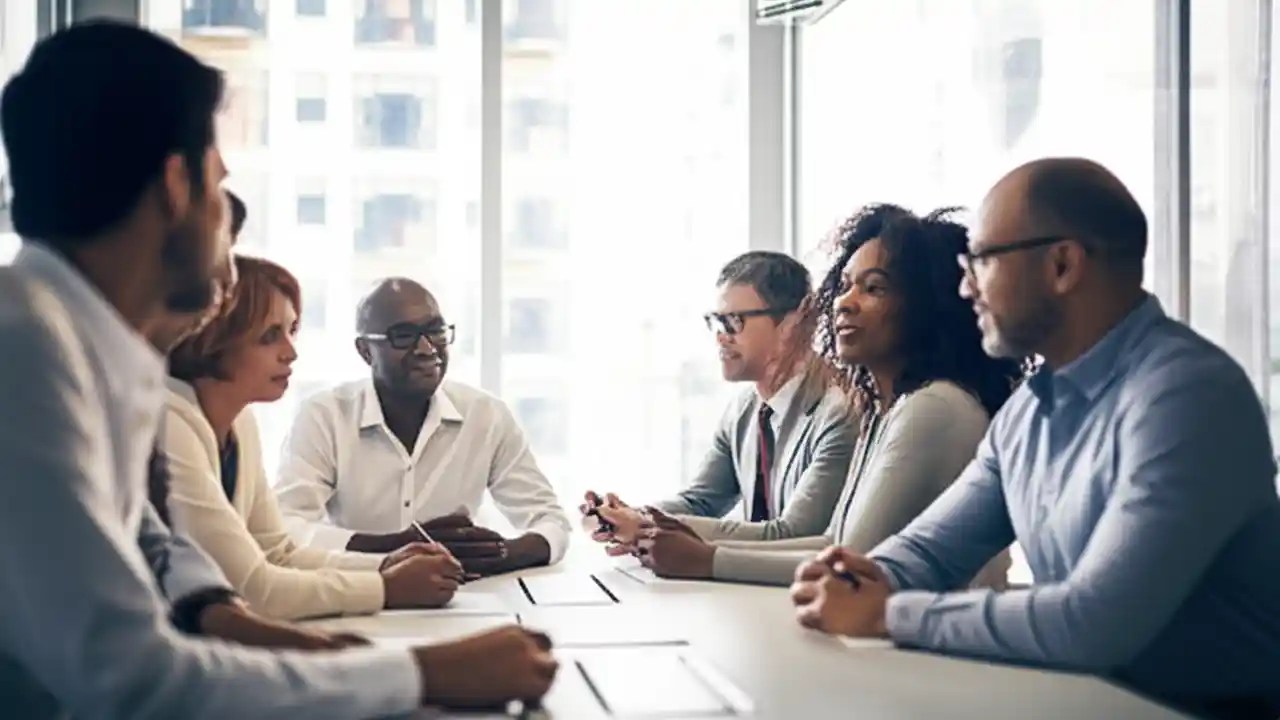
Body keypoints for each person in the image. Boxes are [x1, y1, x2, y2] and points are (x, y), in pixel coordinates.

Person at [0, 22, 554, 717]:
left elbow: (170, 562)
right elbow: (131, 678)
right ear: (177, 184)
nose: (227, 225)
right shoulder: (24, 353)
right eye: (218, 186)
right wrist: (419, 674)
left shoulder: (86, 348)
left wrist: (339, 658)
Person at [789, 158, 1280, 718]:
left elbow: (1096, 623)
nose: (965, 284)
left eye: (981, 259)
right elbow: (926, 552)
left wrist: (885, 613)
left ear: (1062, 264)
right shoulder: (1027, 412)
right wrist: (852, 576)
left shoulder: (1188, 396)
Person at [619, 206, 1021, 585]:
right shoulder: (887, 410)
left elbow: (853, 562)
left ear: (926, 305)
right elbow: (833, 542)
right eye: (845, 286)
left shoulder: (934, 407)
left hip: (934, 649)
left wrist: (707, 559)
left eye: (874, 288)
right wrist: (692, 541)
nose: (845, 302)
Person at [163, 254, 463, 620]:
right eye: (269, 336)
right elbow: (254, 591)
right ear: (213, 337)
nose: (290, 353)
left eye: (291, 331)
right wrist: (387, 588)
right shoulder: (168, 425)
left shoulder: (241, 423)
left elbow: (278, 554)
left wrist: (387, 564)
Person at [275, 277, 572, 575]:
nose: (427, 348)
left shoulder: (486, 415)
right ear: (365, 351)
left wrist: (500, 554)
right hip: (358, 592)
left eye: (436, 332)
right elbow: (287, 527)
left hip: (463, 599)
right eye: (403, 336)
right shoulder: (324, 417)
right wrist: (398, 546)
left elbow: (551, 522)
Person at [581, 251, 856, 550]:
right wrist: (629, 516)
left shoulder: (839, 412)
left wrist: (647, 527)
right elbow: (700, 501)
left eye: (734, 321)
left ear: (792, 323)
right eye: (716, 321)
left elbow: (793, 535)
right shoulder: (744, 410)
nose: (720, 337)